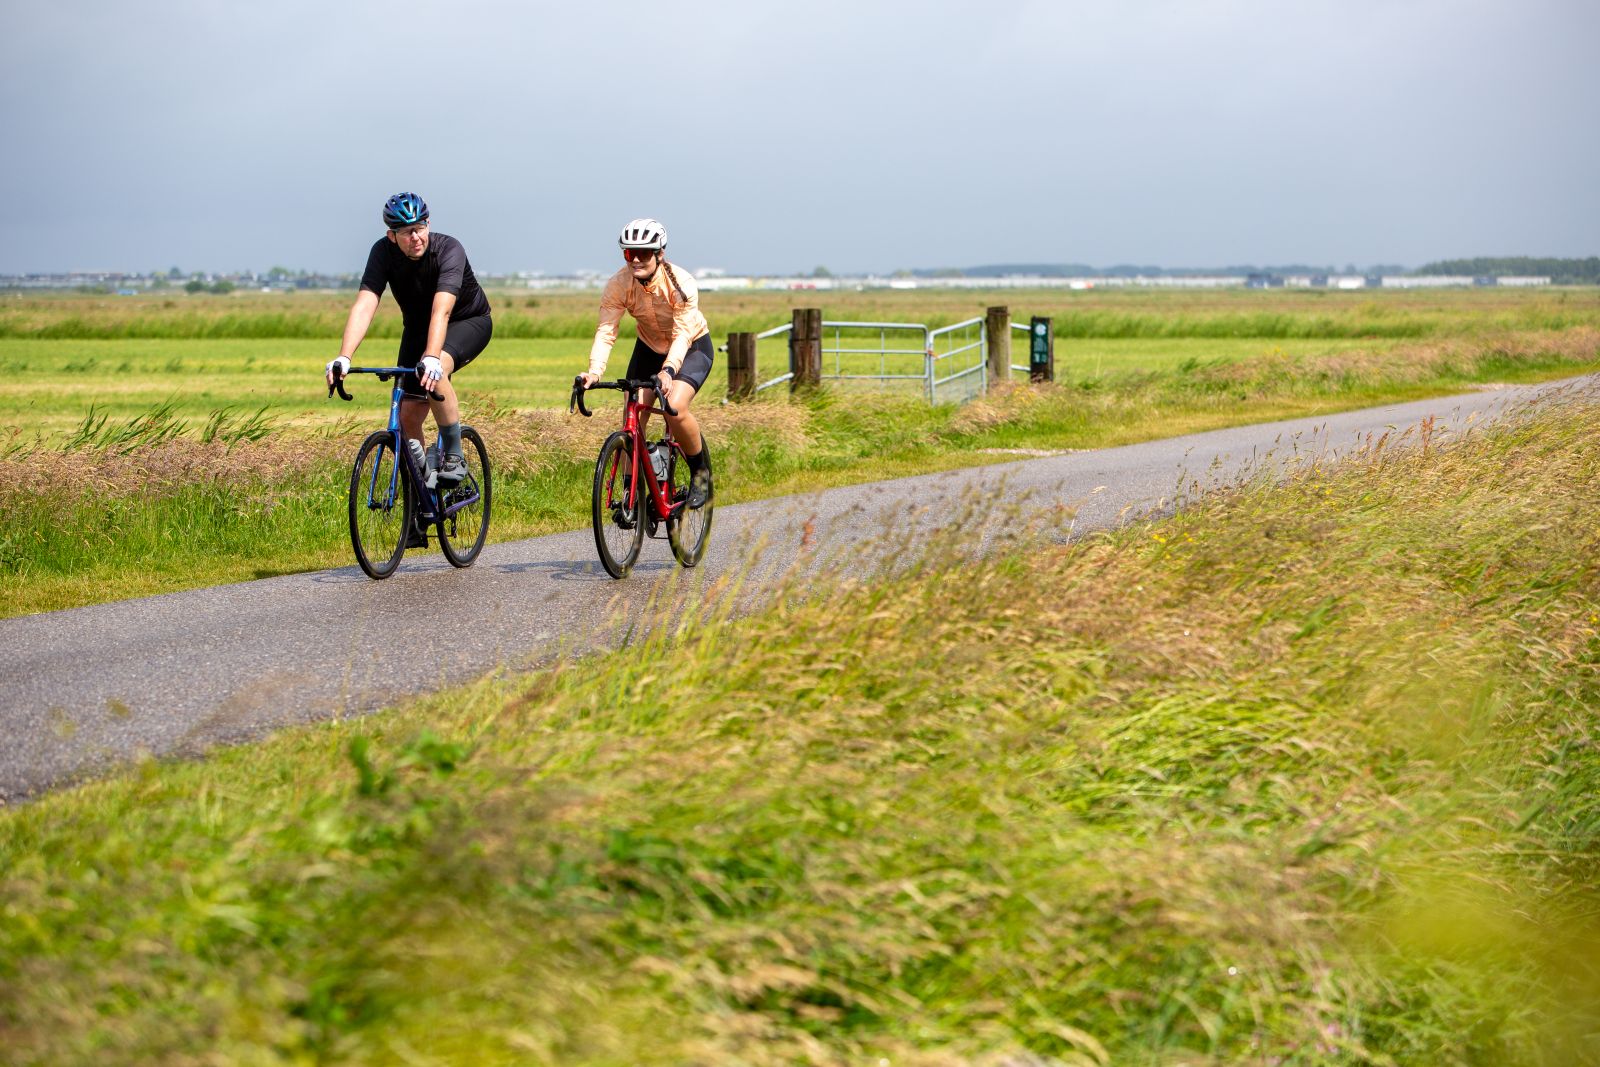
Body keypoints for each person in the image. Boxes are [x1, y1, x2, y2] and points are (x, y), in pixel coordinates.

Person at [324, 192, 492, 545]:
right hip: (417, 329)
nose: (415, 237)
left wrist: (431, 357)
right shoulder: (381, 253)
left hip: (467, 321)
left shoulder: (448, 249)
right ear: (392, 236)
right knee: (406, 417)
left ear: (428, 225)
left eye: (420, 228)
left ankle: (454, 456)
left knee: (436, 371)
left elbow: (442, 310)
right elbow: (365, 304)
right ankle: (422, 498)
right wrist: (344, 357)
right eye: (405, 232)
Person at [576, 218, 713, 508]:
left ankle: (701, 475)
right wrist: (594, 372)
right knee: (632, 417)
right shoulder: (618, 284)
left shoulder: (681, 283)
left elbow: (682, 334)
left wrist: (669, 370)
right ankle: (631, 495)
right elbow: (607, 330)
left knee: (674, 408)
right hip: (649, 348)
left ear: (659, 253)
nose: (635, 260)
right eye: (629, 253)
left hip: (691, 347)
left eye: (643, 253)